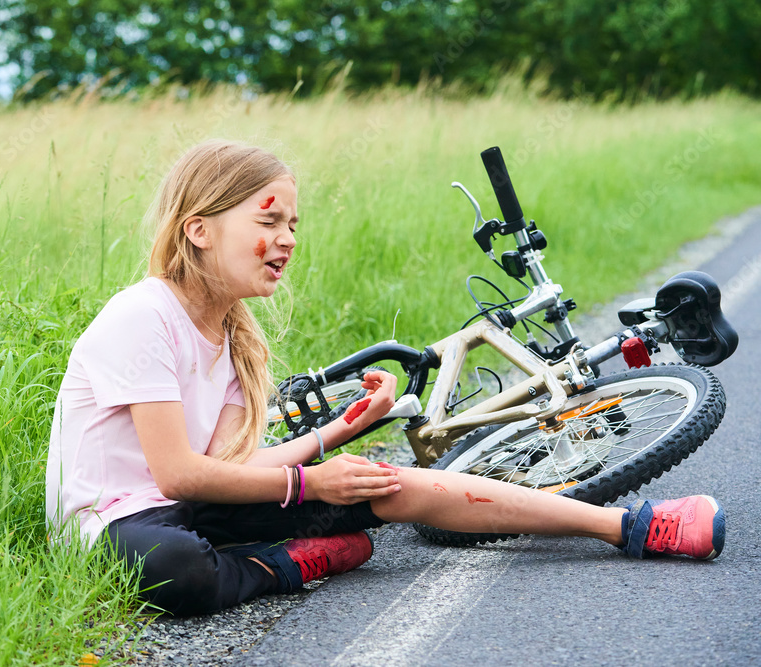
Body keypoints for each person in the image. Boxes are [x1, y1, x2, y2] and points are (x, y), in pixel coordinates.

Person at [45, 140, 726, 616]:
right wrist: (313, 482)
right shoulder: (143, 315)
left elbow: (232, 466)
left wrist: (341, 433)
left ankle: (626, 525)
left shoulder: (231, 332)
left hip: (199, 508)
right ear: (197, 229)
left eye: (292, 224)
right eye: (267, 220)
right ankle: (280, 565)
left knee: (391, 481)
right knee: (175, 567)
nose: (285, 238)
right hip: (116, 524)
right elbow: (177, 476)